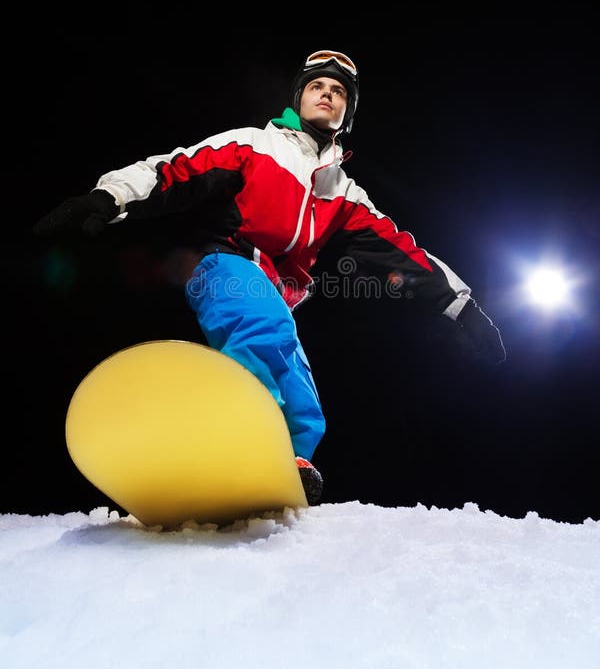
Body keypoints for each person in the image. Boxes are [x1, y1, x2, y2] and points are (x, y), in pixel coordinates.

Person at [34, 49, 506, 505]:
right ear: (298, 98)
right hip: (226, 266)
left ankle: (280, 467)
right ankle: (233, 434)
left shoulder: (345, 195)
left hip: (278, 298)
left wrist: (463, 308)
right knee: (265, 329)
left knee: (301, 395)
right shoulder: (255, 146)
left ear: (348, 112)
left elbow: (405, 254)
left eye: (339, 91)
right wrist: (108, 196)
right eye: (316, 86)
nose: (327, 95)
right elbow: (176, 169)